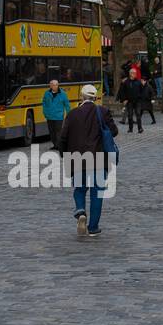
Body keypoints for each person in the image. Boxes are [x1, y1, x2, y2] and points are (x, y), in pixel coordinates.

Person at [57, 85, 117, 237]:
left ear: (82, 97)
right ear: (95, 97)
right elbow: (114, 131)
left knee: (80, 189)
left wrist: (64, 155)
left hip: (77, 160)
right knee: (97, 194)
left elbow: (62, 138)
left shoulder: (72, 114)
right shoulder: (103, 112)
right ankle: (93, 227)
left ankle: (80, 211)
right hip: (98, 159)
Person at [41, 79, 71, 150]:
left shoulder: (63, 93)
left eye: (56, 85)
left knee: (58, 132)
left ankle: (59, 145)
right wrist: (45, 113)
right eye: (53, 85)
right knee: (52, 132)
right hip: (49, 116)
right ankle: (55, 145)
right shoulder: (46, 93)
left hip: (59, 117)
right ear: (50, 86)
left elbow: (67, 104)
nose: (55, 86)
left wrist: (68, 114)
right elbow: (44, 103)